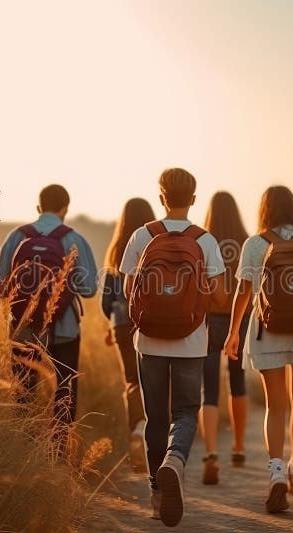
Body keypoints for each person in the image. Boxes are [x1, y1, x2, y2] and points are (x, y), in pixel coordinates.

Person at [120, 168, 225, 527]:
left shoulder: (141, 236)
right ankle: (174, 462)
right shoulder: (206, 240)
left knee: (155, 417)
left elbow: (128, 290)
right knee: (184, 412)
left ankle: (155, 492)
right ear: (193, 199)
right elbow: (221, 295)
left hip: (148, 339)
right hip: (191, 341)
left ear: (161, 197)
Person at [223, 185, 293, 513]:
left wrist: (233, 332)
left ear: (264, 211)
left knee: (276, 404)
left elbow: (243, 292)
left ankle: (275, 475)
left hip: (266, 330)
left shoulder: (256, 244)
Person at [0, 184, 98, 457]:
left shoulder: (17, 237)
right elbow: (89, 288)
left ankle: (22, 453)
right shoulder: (74, 239)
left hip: (23, 329)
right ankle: (58, 455)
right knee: (64, 391)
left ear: (38, 207)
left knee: (23, 393)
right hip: (65, 330)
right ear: (65, 209)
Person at [100, 197, 156, 471]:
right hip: (153, 321)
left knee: (131, 380)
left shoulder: (116, 250)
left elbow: (105, 301)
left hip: (121, 323)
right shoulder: (156, 244)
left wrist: (110, 325)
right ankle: (152, 436)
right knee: (154, 378)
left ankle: (136, 428)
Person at [199, 191, 249, 485]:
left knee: (210, 387)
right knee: (238, 382)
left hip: (209, 321)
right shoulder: (246, 241)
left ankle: (210, 454)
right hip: (239, 320)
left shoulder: (204, 240)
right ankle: (239, 448)